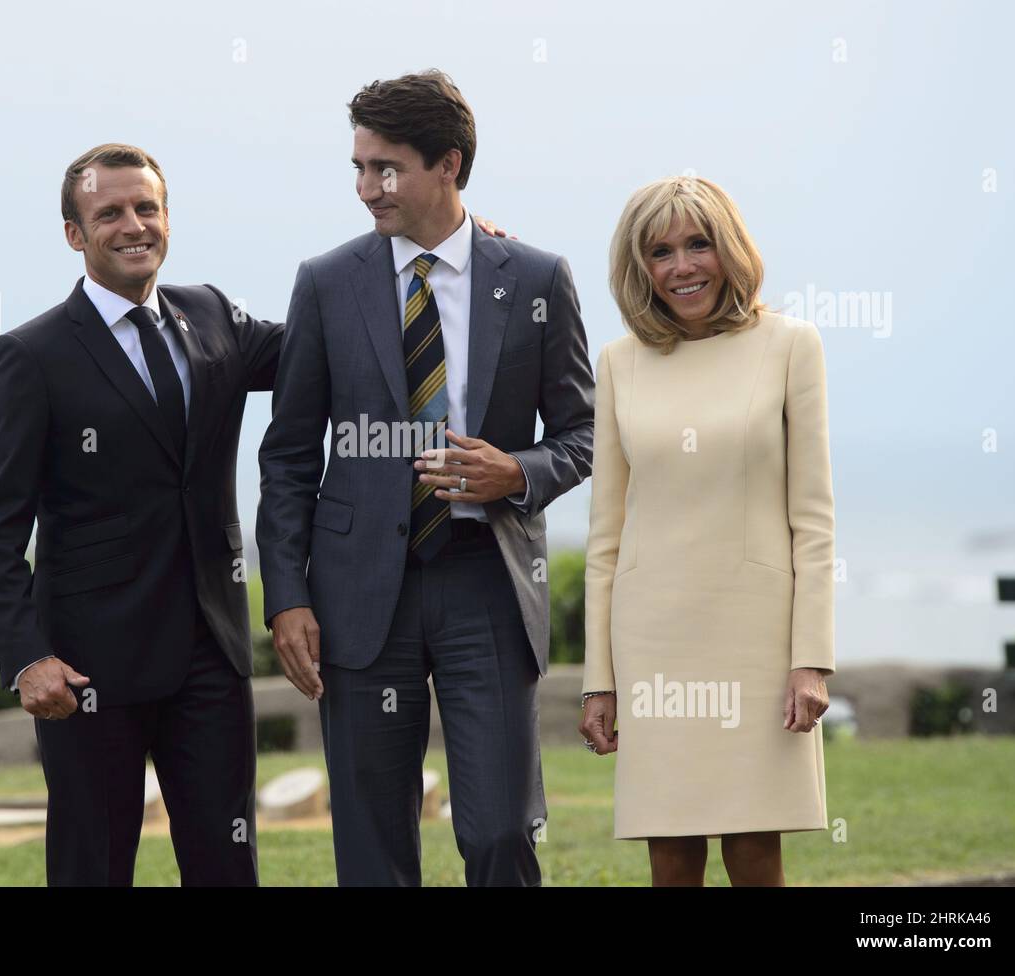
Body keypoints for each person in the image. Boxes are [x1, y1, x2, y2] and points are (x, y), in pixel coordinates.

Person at [257, 70, 595, 886]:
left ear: (449, 164)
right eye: (359, 168)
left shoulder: (540, 279)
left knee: (499, 831)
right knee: (372, 847)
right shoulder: (326, 283)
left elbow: (584, 434)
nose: (369, 187)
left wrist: (516, 470)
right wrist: (287, 594)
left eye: (388, 168)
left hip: (488, 584)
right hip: (358, 590)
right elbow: (290, 453)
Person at [0, 143, 282, 886]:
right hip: (85, 669)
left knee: (227, 865)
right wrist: (25, 658)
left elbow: (322, 349)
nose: (132, 224)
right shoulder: (29, 355)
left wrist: (441, 241)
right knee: (93, 868)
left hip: (212, 652)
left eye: (147, 208)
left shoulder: (211, 315)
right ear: (75, 234)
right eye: (109, 212)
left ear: (167, 218)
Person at [578, 176, 835, 886]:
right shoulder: (619, 364)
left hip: (756, 637)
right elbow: (605, 539)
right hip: (654, 638)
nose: (682, 266)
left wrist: (810, 658)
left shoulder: (791, 345)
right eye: (660, 252)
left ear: (730, 249)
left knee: (755, 849)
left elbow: (812, 520)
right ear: (641, 269)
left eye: (699, 244)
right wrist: (599, 682)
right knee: (670, 851)